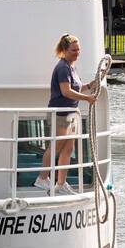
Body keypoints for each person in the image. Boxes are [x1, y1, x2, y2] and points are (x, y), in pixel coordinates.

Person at [35, 33, 97, 194]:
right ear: (64, 50)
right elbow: (66, 91)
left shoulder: (71, 66)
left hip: (70, 113)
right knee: (56, 146)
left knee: (68, 148)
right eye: (73, 50)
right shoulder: (62, 67)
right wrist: (87, 98)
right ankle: (42, 178)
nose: (77, 53)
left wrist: (89, 86)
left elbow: (75, 87)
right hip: (60, 113)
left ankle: (61, 183)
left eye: (78, 50)